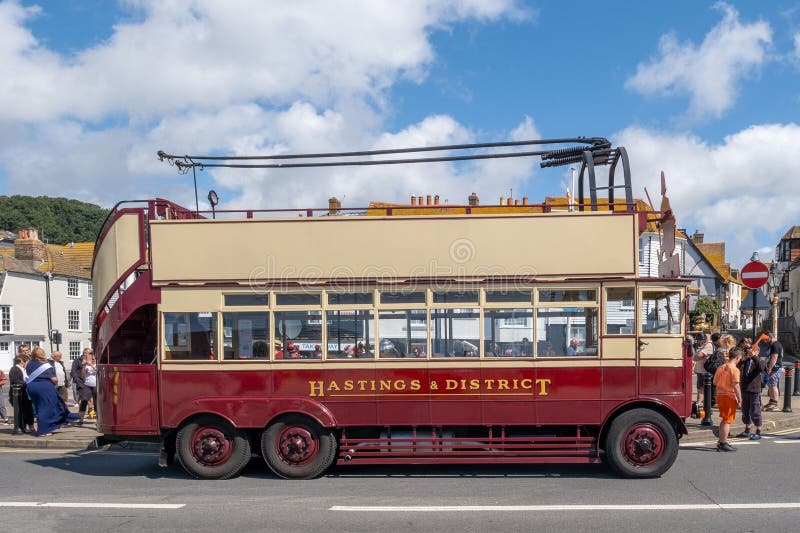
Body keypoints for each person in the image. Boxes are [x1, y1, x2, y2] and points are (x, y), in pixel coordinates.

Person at [25, 348, 78, 436]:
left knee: (39, 407)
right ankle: (43, 430)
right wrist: (56, 382)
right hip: (44, 387)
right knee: (46, 408)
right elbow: (53, 379)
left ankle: (46, 427)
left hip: (32, 387)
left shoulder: (29, 364)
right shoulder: (46, 364)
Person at [713, 337, 741, 452]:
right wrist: (740, 399)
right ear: (738, 357)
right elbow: (736, 385)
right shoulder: (734, 370)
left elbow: (714, 382)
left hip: (720, 395)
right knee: (727, 420)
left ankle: (721, 441)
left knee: (724, 419)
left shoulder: (721, 367)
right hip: (729, 396)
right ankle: (723, 443)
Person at [737, 342, 765, 440]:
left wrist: (753, 357)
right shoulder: (746, 361)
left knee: (755, 411)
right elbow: (737, 367)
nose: (750, 352)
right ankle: (747, 430)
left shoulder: (760, 360)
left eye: (753, 350)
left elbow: (761, 369)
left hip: (754, 390)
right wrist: (743, 358)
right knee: (745, 411)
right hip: (744, 389)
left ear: (757, 351)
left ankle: (758, 431)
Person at [8, 354, 35, 433]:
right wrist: (27, 383)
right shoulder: (15, 369)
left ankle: (28, 425)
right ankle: (22, 427)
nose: (27, 364)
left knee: (28, 410)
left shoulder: (23, 369)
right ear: (21, 361)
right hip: (18, 395)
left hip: (25, 394)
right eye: (26, 362)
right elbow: (15, 381)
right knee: (22, 411)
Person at [763, 332, 784, 412]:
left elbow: (774, 358)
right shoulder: (774, 344)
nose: (766, 341)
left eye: (766, 339)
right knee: (771, 385)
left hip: (775, 368)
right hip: (773, 368)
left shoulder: (775, 345)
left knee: (773, 385)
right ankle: (772, 402)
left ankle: (774, 404)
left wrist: (770, 368)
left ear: (770, 337)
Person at [77, 351, 98, 426]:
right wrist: (83, 366)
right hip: (87, 385)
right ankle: (81, 420)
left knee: (96, 403)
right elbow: (83, 375)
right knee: (84, 401)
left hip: (96, 385)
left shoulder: (97, 364)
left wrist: (91, 364)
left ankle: (97, 420)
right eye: (88, 358)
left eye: (92, 359)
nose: (90, 360)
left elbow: (98, 371)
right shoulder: (86, 366)